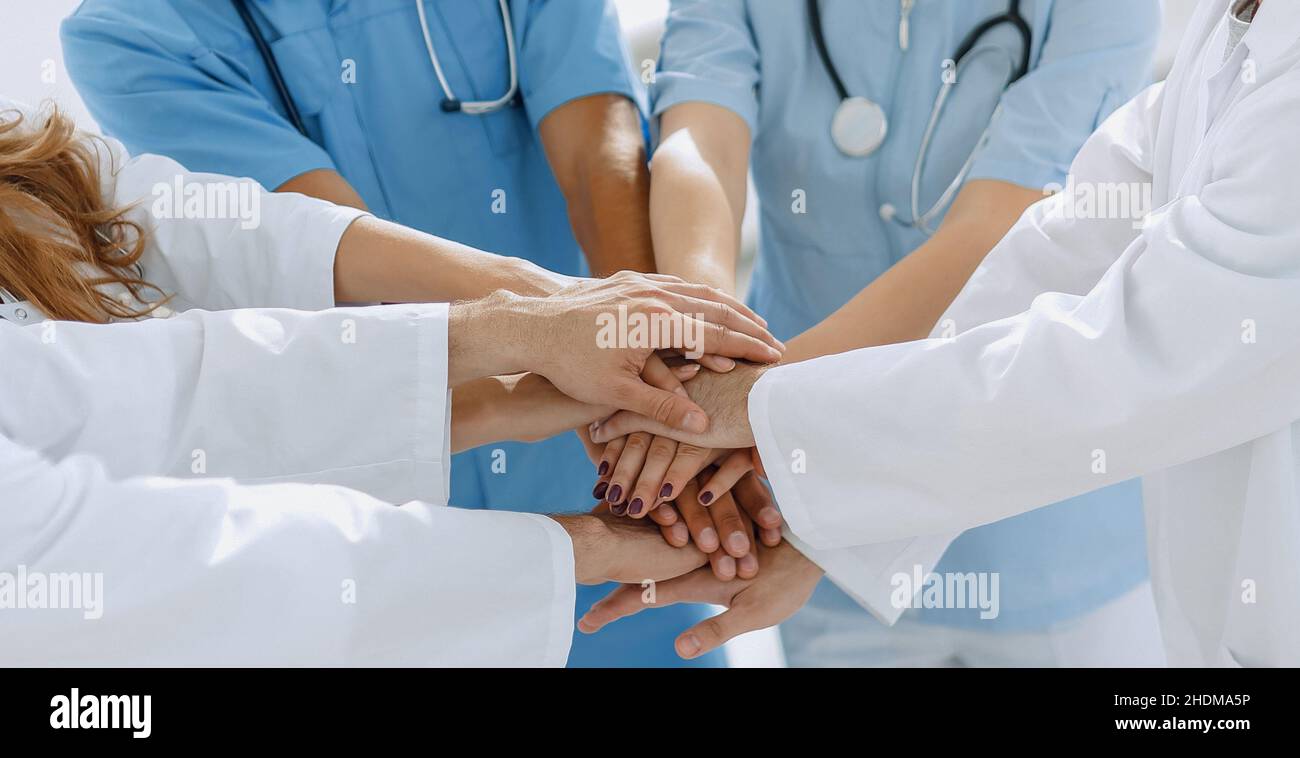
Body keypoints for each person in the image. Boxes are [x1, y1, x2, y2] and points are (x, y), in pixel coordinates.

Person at [583, 0, 1299, 667]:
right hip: (822, 508)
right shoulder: (1236, 20)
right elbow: (1064, 246)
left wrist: (755, 411)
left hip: (1060, 548)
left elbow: (1112, 354)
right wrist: (762, 437)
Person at [0, 100, 783, 665]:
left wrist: (550, 310)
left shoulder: (25, 161)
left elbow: (212, 234)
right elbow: (147, 539)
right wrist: (577, 543)